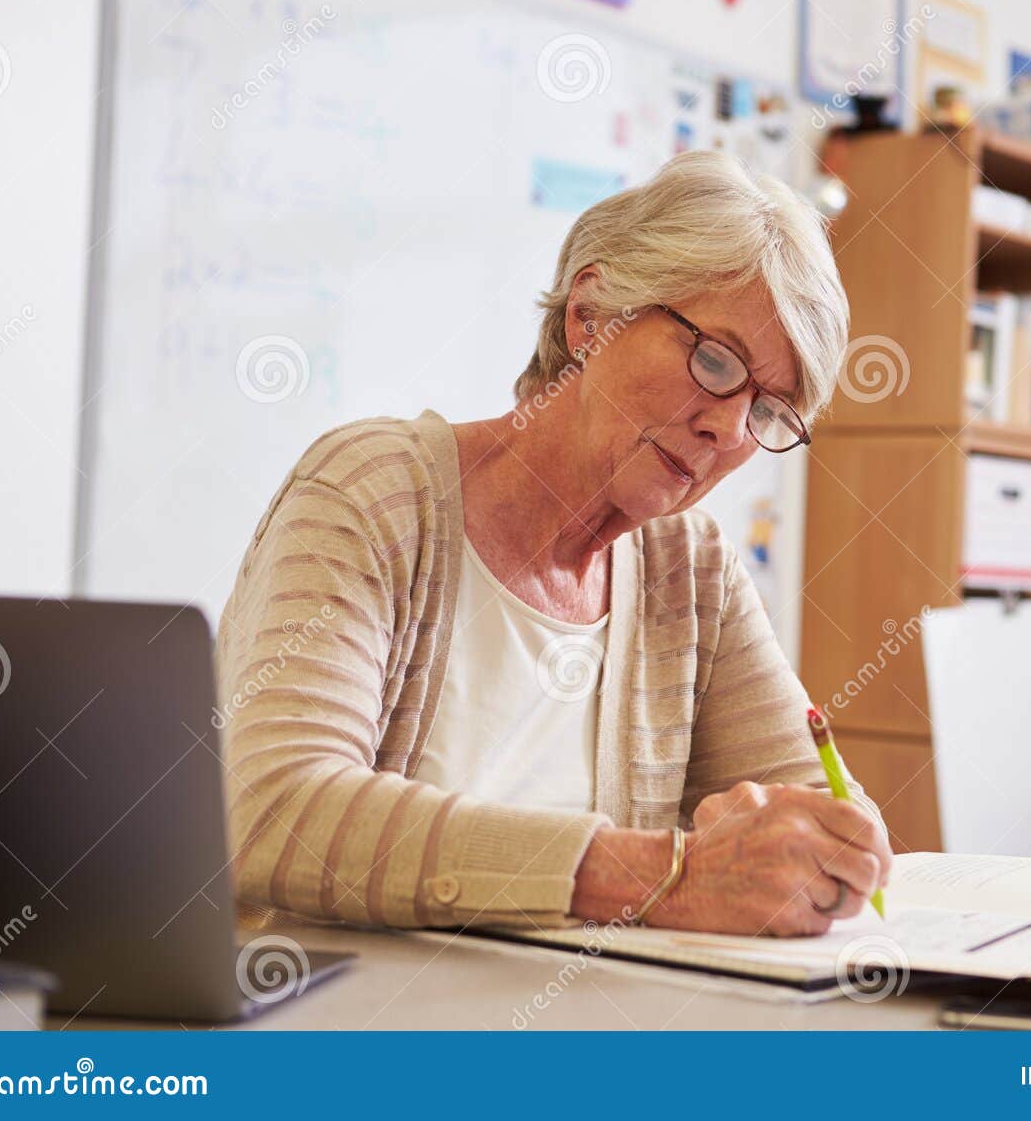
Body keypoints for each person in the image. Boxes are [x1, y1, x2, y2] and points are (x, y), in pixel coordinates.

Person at [216, 151, 891, 937]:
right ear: (591, 316)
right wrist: (666, 877)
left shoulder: (691, 569)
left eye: (769, 411)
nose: (727, 427)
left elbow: (819, 819)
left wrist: (828, 849)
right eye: (714, 362)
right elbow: (276, 811)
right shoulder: (375, 492)